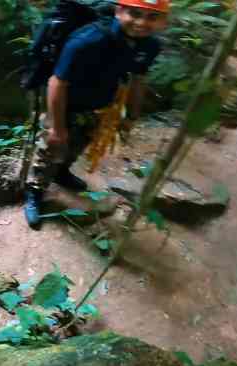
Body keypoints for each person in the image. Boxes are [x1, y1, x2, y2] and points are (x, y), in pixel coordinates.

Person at [24, 0, 170, 229]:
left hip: (98, 104)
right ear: (120, 11)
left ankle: (62, 171)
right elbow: (57, 82)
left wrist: (131, 115)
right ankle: (35, 191)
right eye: (135, 13)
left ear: (163, 21)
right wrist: (56, 128)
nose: (142, 23)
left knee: (80, 142)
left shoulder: (149, 46)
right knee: (51, 147)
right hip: (63, 103)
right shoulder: (89, 40)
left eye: (152, 17)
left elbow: (138, 78)